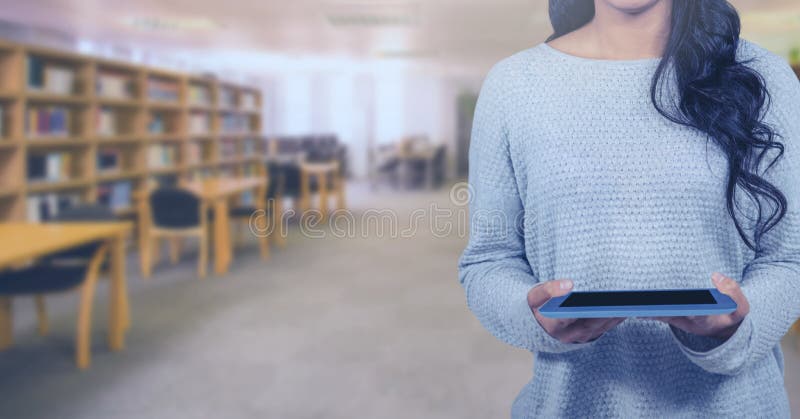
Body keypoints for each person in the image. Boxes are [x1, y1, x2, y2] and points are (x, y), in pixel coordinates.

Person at [458, 0, 800, 417]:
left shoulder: (763, 77)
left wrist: (735, 327)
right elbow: (489, 260)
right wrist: (526, 312)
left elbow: (789, 257)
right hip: (570, 405)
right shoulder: (514, 85)